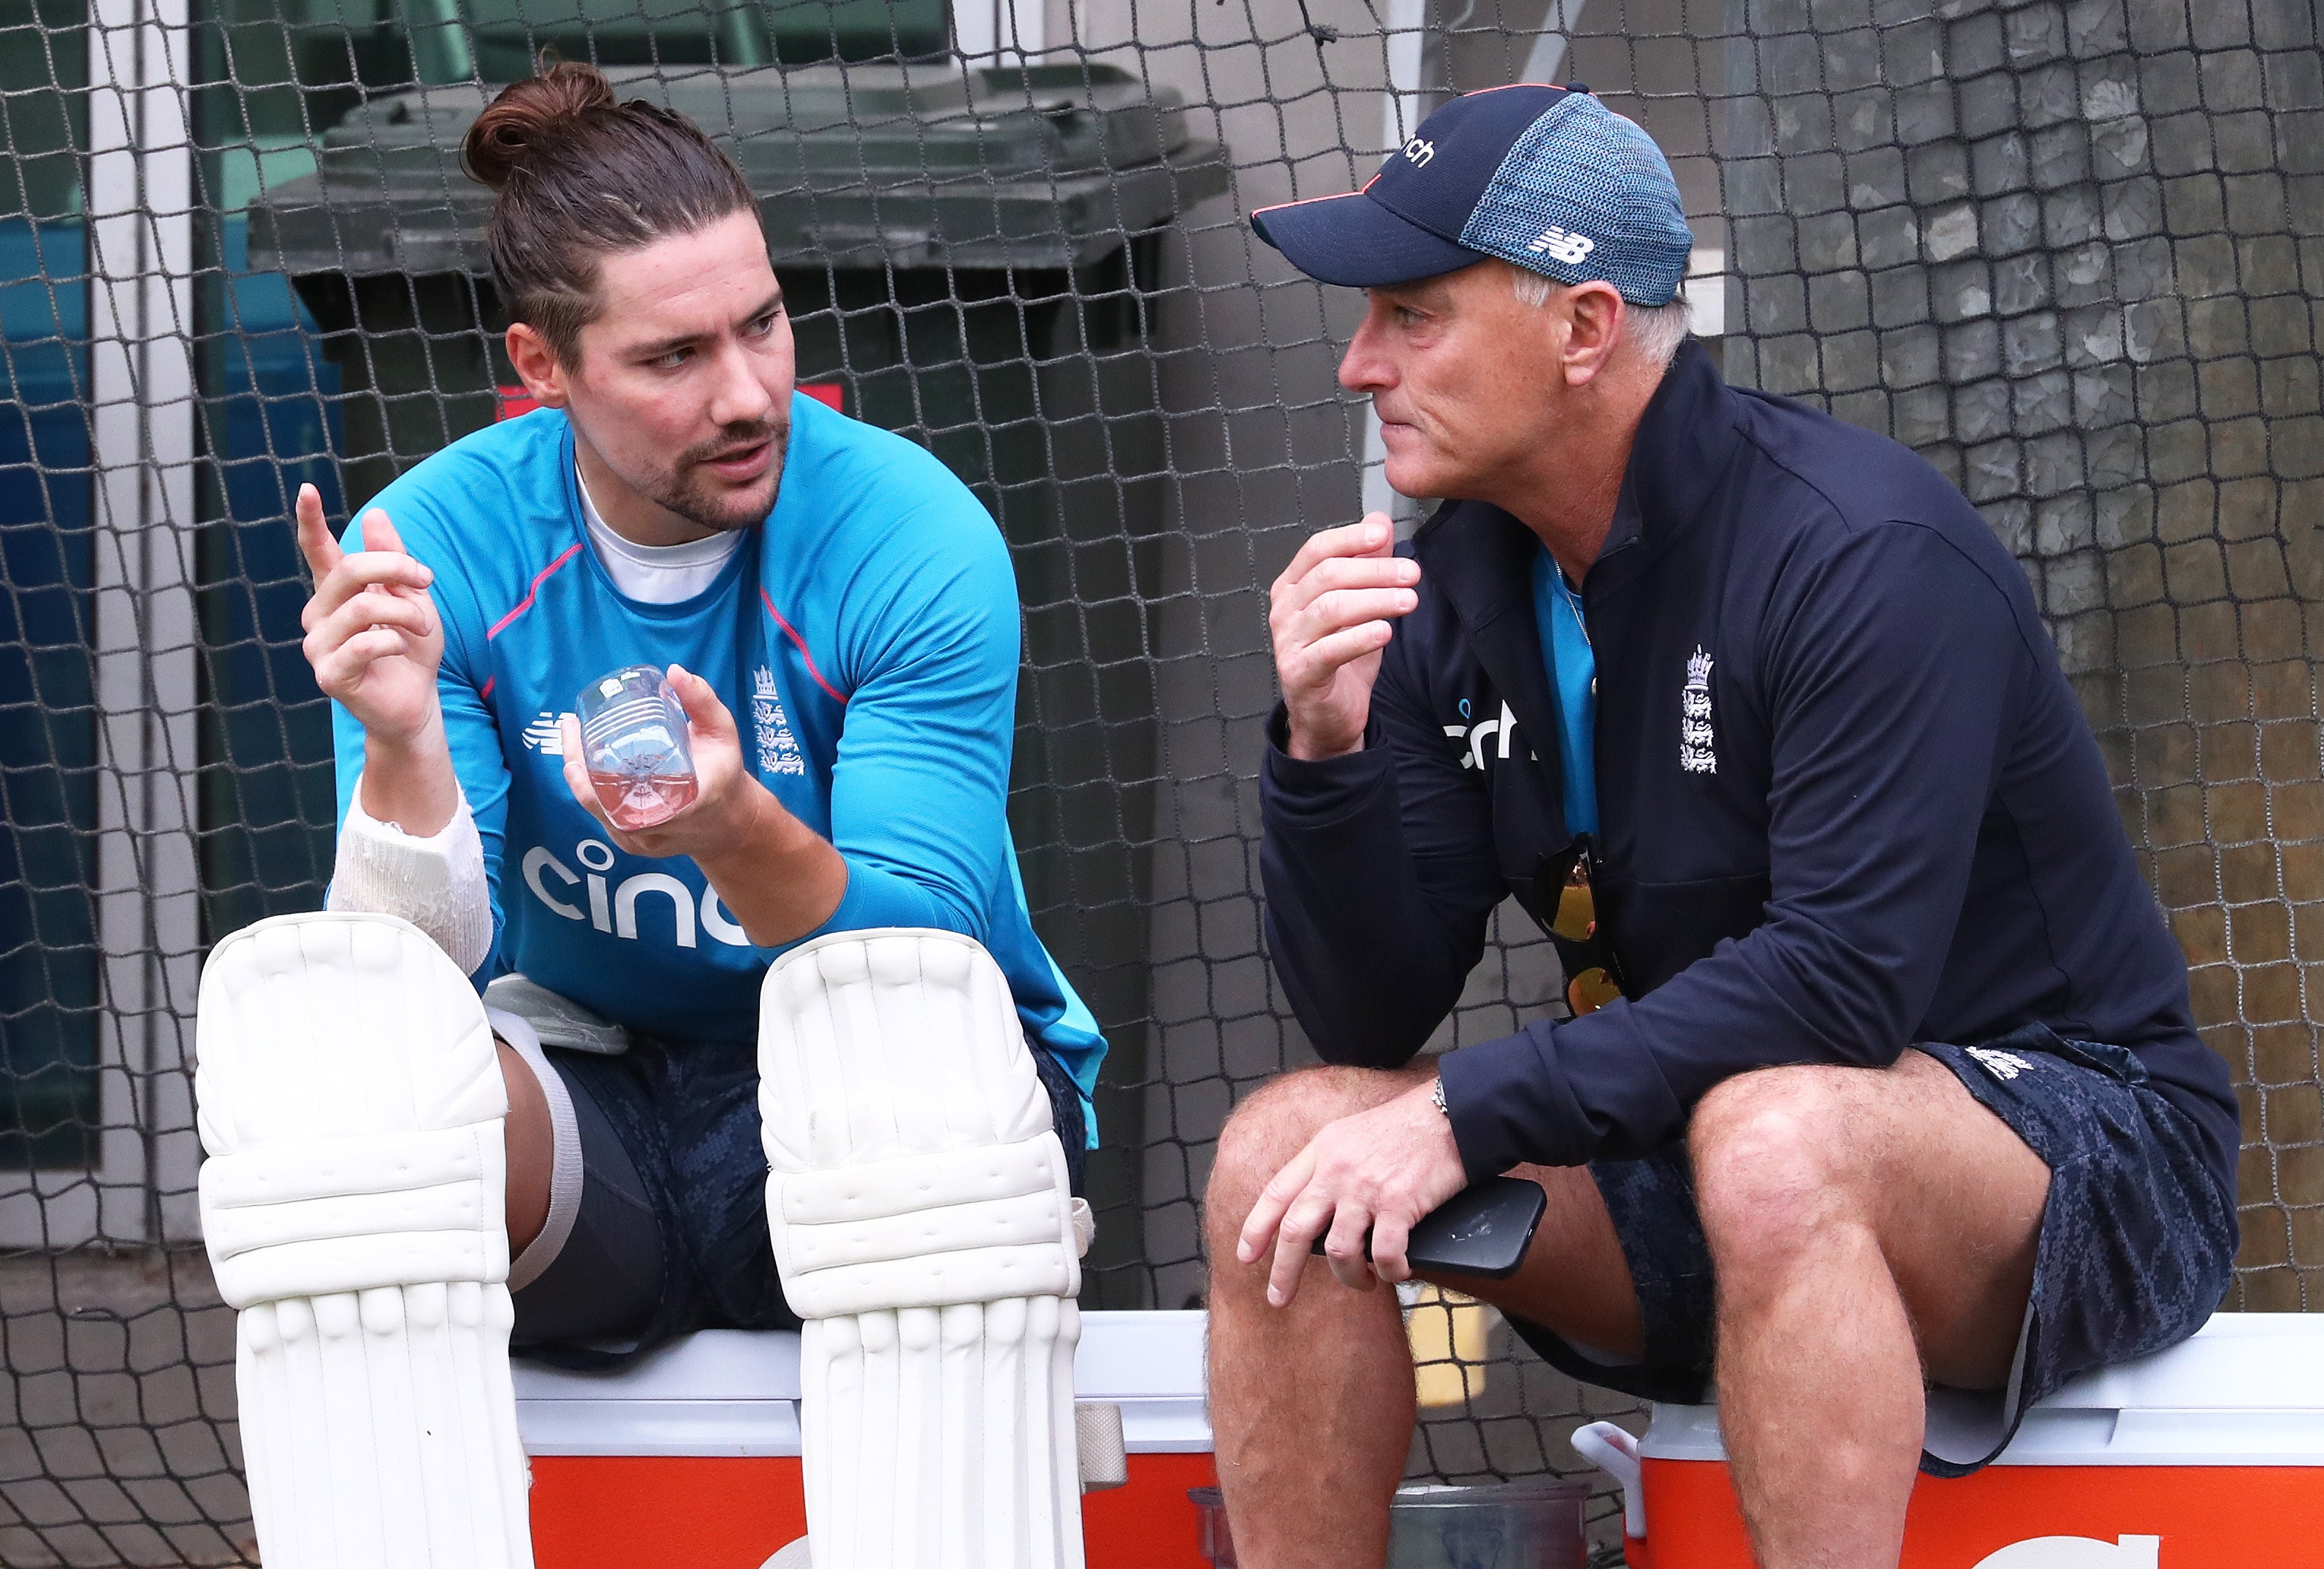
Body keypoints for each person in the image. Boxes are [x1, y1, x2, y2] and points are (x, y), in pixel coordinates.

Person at [1207, 81, 2238, 1569]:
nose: (1361, 364)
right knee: (1279, 1155)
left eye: (1414, 314)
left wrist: (1467, 1114)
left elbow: (1837, 985)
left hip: (2081, 1157)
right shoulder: (1453, 590)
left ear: (1582, 329)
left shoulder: (1859, 553)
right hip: (1704, 1161)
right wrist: (1323, 748)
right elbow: (1369, 1007)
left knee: (1777, 1138)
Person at [295, 59, 1102, 1360]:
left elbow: (929, 967)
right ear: (542, 364)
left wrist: (735, 832)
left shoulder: (912, 534)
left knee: (939, 1111)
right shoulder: (436, 542)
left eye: (763, 324)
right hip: (593, 1091)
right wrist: (399, 744)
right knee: (362, 1089)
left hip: (866, 1089)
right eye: (674, 355)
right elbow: (419, 973)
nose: (745, 394)